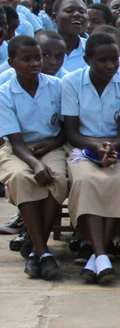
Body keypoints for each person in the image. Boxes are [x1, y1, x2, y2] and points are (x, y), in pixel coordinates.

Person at [61, 33, 120, 284]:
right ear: (87, 60)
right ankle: (101, 254)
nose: (110, 66)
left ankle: (98, 256)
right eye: (102, 60)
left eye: (114, 59)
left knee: (118, 180)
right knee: (85, 180)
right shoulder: (71, 83)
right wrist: (96, 148)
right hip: (83, 145)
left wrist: (110, 149)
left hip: (117, 146)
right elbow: (71, 132)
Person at [0, 36, 68, 281]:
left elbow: (66, 128)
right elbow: (16, 142)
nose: (35, 63)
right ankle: (43, 252)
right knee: (21, 177)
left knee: (57, 178)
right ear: (12, 62)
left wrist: (51, 146)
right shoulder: (5, 92)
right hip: (19, 150)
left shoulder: (56, 86)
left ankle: (35, 250)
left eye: (37, 57)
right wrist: (36, 163)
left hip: (51, 146)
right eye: (26, 59)